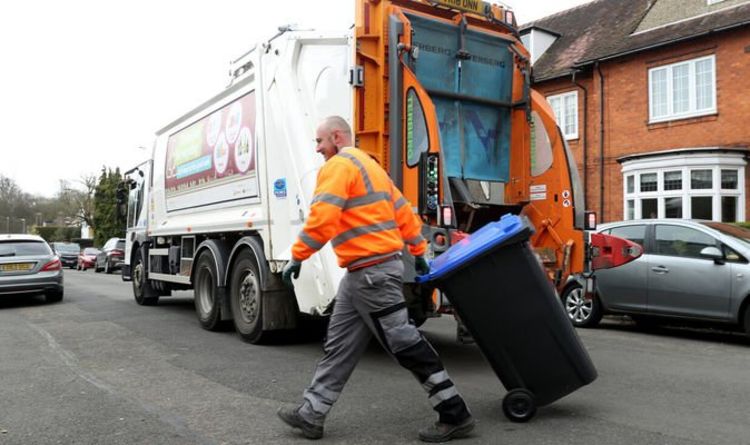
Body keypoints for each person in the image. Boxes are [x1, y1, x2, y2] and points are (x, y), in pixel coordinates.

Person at [278, 116, 474, 442]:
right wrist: (419, 250)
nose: (317, 149)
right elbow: (403, 213)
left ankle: (455, 413)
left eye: (320, 141)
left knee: (404, 342)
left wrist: (298, 255)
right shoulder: (373, 169)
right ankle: (312, 412)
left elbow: (322, 218)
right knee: (339, 346)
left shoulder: (339, 166)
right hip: (362, 275)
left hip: (371, 273)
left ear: (337, 137)